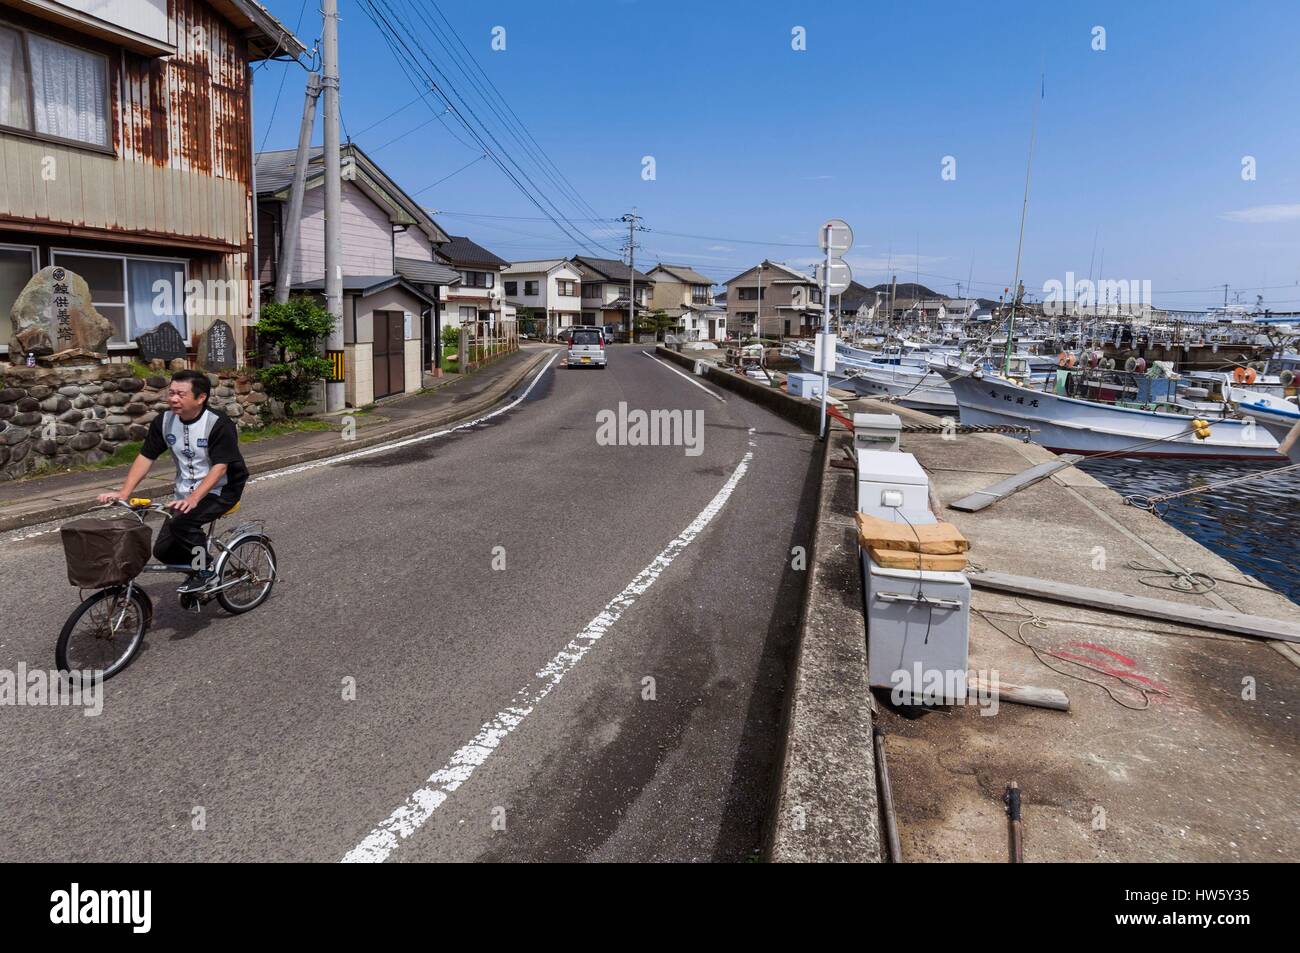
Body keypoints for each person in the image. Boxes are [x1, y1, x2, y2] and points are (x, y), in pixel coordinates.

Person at [97, 369, 248, 594]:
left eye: (181, 394)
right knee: (165, 551)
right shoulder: (165, 421)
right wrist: (123, 493)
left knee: (184, 524)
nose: (173, 399)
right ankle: (197, 575)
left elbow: (220, 466)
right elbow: (146, 456)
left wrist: (195, 498)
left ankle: (204, 571)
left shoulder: (218, 423)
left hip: (222, 489)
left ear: (201, 398)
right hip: (185, 491)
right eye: (171, 393)